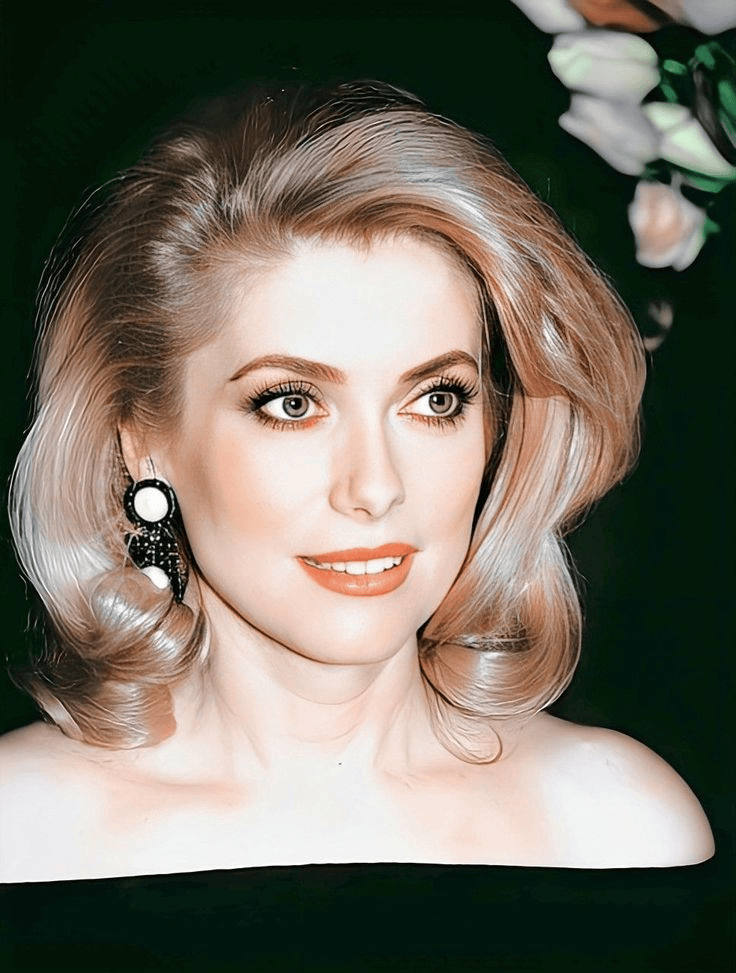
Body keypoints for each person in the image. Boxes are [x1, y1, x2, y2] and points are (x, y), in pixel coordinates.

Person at [0, 80, 713, 882]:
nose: (375, 488)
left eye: (435, 399)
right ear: (144, 443)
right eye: (293, 404)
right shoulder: (21, 833)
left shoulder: (620, 826)